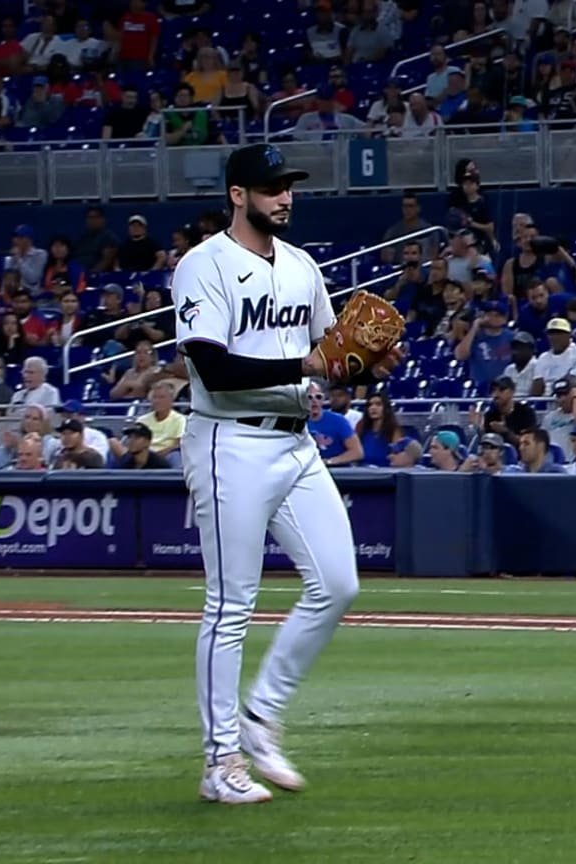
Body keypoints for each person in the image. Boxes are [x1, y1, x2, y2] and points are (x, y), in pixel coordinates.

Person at [170, 144, 402, 804]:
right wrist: (305, 369)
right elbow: (213, 369)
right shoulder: (203, 265)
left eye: (289, 186)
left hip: (295, 445)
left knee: (338, 582)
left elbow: (334, 355)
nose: (285, 197)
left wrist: (370, 363)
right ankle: (219, 763)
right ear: (238, 195)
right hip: (229, 444)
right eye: (272, 187)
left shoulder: (302, 267)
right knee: (230, 607)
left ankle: (262, 716)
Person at [307, 381, 362, 466]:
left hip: (336, 471)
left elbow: (357, 452)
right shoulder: (295, 421)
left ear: (323, 399)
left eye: (318, 397)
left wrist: (329, 461)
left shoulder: (338, 421)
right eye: (309, 397)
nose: (314, 400)